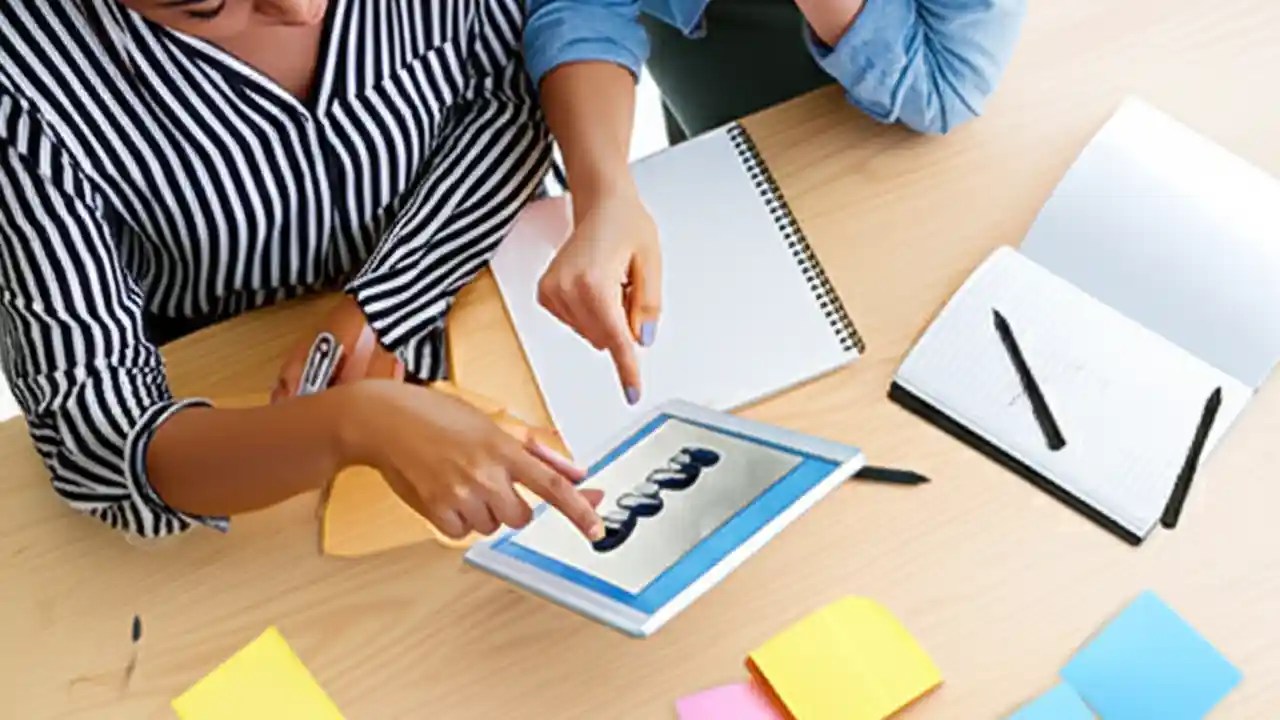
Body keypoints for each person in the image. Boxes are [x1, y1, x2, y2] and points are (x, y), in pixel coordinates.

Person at [0, 0, 608, 543]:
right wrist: (350, 425)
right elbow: (103, 439)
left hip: (497, 289)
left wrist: (386, 300)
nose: (303, 11)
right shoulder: (22, 83)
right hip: (234, 394)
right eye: (206, 8)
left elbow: (506, 98)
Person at [522, 0, 1026, 404]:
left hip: (912, 174)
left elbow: (944, 88)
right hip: (726, 143)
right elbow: (581, 9)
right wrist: (603, 192)